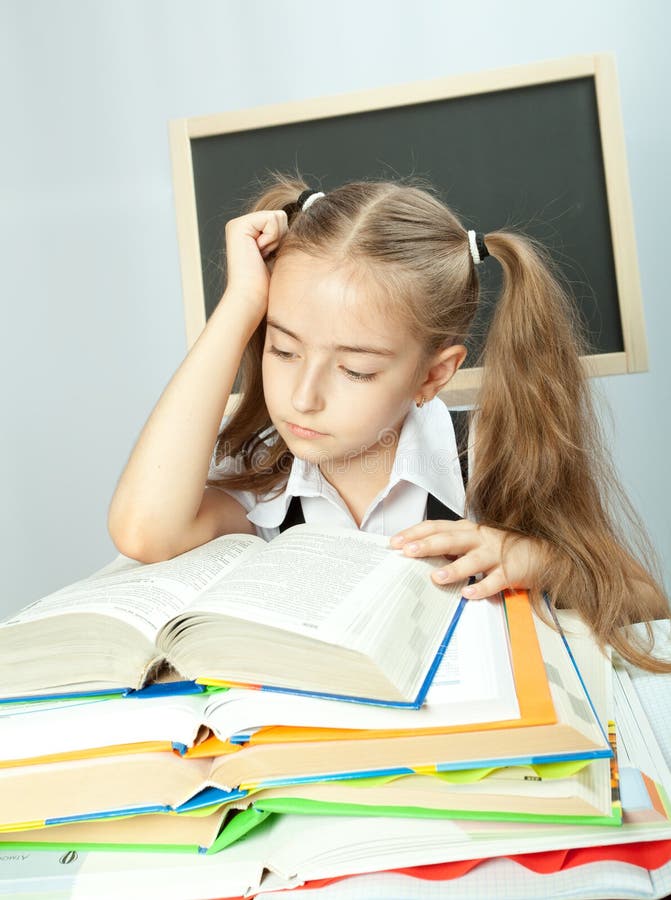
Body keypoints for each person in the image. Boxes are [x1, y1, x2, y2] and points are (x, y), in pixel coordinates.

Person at [108, 173, 670, 671]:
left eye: (354, 371)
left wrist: (546, 562)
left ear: (433, 375)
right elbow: (142, 530)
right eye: (282, 351)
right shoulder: (264, 477)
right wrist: (240, 305)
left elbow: (646, 602)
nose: (303, 398)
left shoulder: (487, 454)